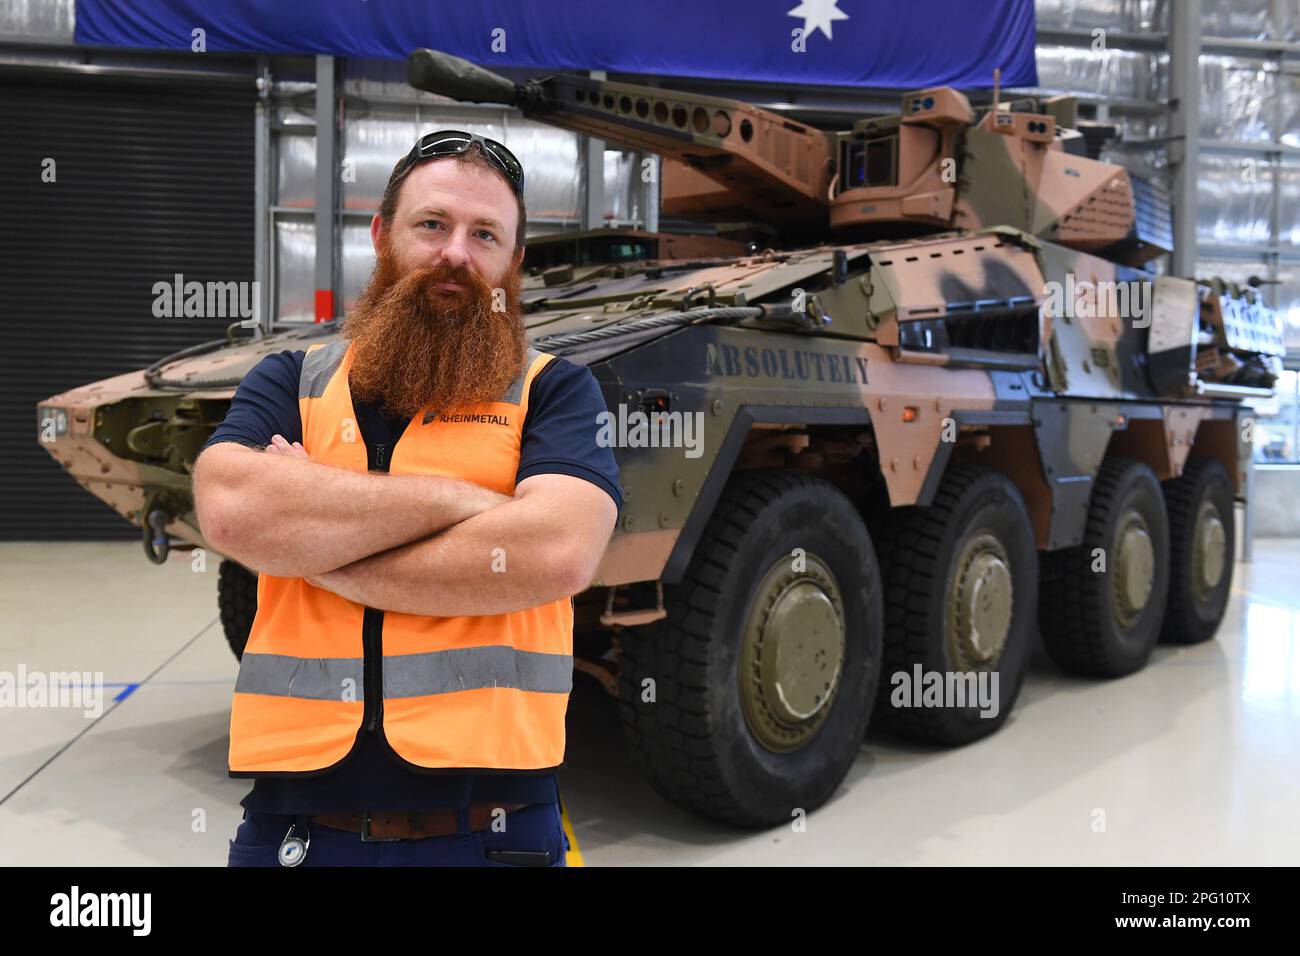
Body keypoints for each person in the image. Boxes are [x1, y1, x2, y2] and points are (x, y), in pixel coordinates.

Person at [193, 131, 621, 867]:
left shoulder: (554, 390)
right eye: (433, 224)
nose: (456, 252)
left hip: (493, 833)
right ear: (383, 235)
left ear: (513, 265)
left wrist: (313, 549)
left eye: (485, 234)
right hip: (298, 829)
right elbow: (234, 512)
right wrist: (469, 503)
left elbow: (555, 552)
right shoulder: (290, 379)